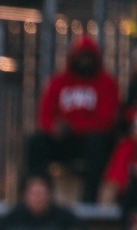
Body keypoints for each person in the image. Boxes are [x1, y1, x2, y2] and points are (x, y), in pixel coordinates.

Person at [26, 34, 121, 203]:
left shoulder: (107, 83)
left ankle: (89, 200)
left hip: (91, 141)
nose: (85, 61)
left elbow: (107, 120)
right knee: (35, 142)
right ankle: (37, 194)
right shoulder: (58, 82)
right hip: (63, 139)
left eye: (89, 57)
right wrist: (54, 128)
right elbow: (45, 116)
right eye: (81, 56)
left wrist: (75, 127)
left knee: (98, 143)